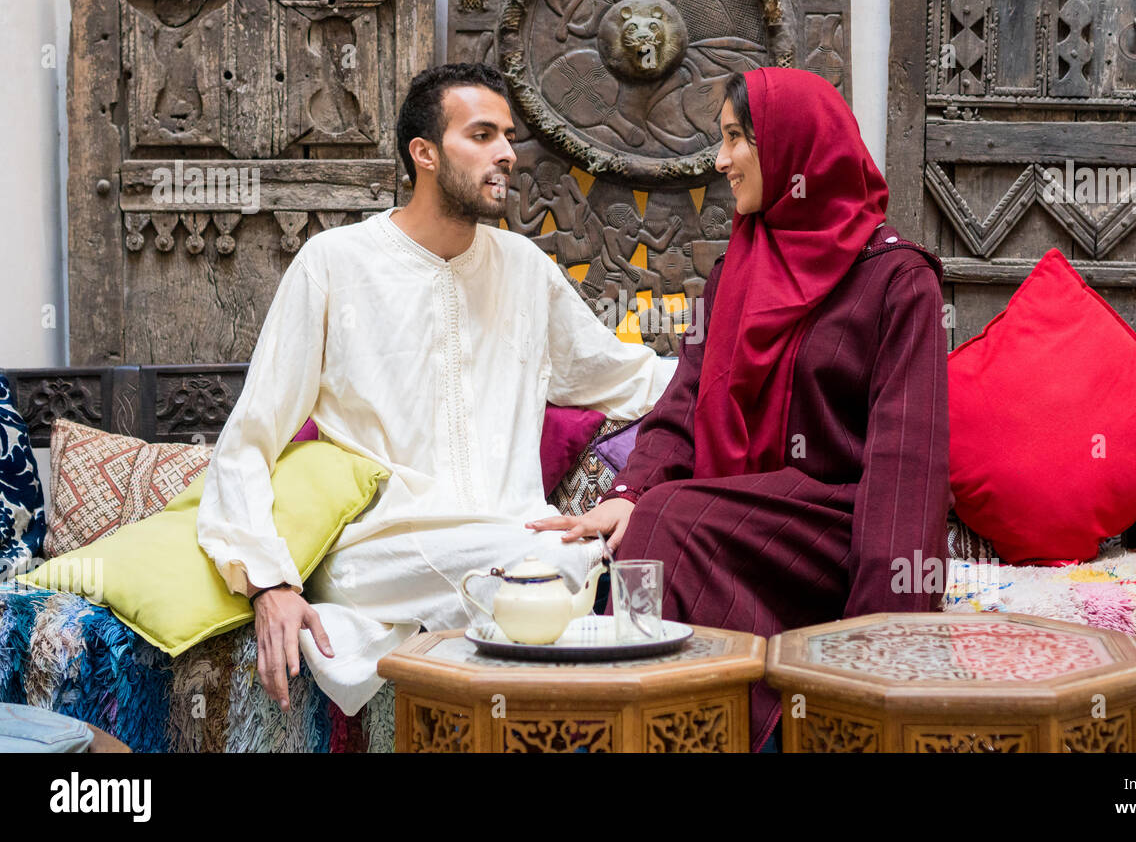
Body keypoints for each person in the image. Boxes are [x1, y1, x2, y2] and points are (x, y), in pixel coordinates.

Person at [196, 63, 676, 716]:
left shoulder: (524, 270)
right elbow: (250, 438)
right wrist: (268, 582)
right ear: (423, 153)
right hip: (382, 553)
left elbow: (629, 379)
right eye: (481, 134)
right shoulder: (335, 264)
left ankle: (445, 661)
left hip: (516, 541)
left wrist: (738, 367)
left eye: (507, 136)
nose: (506, 152)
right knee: (540, 576)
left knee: (560, 559)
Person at [527, 67, 952, 751]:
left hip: (838, 532)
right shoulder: (736, 269)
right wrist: (631, 490)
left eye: (734, 139)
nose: (719, 160)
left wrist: (880, 642)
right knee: (646, 530)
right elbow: (684, 404)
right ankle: (643, 726)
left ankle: (628, 733)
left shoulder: (897, 280)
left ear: (791, 147)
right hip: (739, 519)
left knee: (674, 519)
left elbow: (910, 461)